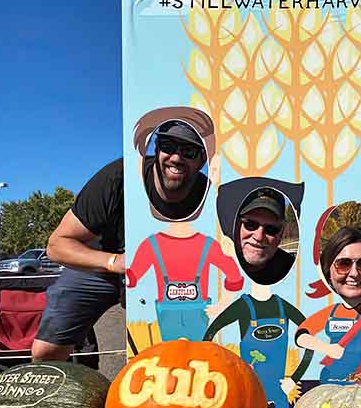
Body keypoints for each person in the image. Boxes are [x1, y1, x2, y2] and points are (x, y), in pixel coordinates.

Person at [31, 120, 212, 362]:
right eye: (169, 146)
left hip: (166, 273)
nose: (176, 158)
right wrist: (115, 262)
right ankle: (67, 394)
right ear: (156, 148)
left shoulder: (210, 193)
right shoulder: (117, 177)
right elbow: (57, 245)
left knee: (174, 348)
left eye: (189, 151)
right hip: (103, 264)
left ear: (202, 160)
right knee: (46, 352)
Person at [296, 227, 361, 384]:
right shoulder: (330, 312)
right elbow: (301, 335)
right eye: (343, 264)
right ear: (328, 271)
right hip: (329, 383)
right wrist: (326, 348)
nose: (354, 273)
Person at [235, 188, 295, 284]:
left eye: (271, 229)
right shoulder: (214, 263)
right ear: (236, 226)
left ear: (281, 234)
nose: (259, 237)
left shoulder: (294, 273)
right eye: (250, 224)